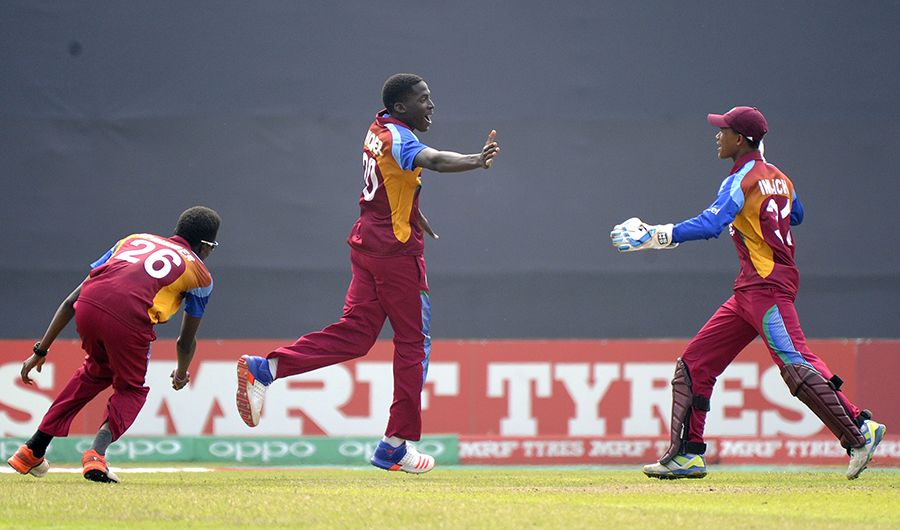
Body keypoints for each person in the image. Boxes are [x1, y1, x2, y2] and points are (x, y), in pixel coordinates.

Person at [235, 73, 500, 474]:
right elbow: (433, 160)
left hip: (367, 243)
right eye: (423, 99)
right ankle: (395, 445)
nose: (431, 106)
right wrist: (476, 161)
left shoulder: (378, 128)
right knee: (414, 345)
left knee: (356, 334)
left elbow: (390, 181)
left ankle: (265, 369)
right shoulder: (402, 138)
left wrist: (412, 210)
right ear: (400, 107)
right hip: (396, 255)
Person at [609, 106, 886, 480]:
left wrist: (655, 236)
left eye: (723, 130)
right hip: (750, 290)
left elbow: (711, 224)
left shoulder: (740, 180)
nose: (717, 135)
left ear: (740, 139)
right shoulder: (779, 178)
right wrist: (765, 178)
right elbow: (797, 214)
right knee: (694, 365)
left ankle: (858, 430)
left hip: (767, 286)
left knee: (795, 364)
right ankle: (686, 455)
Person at [7, 206, 220, 483]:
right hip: (130, 320)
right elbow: (185, 340)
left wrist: (40, 350)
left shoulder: (132, 240)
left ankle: (33, 449)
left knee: (95, 372)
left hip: (88, 307)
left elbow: (72, 299)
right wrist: (181, 373)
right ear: (205, 246)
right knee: (131, 389)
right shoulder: (201, 275)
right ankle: (96, 455)